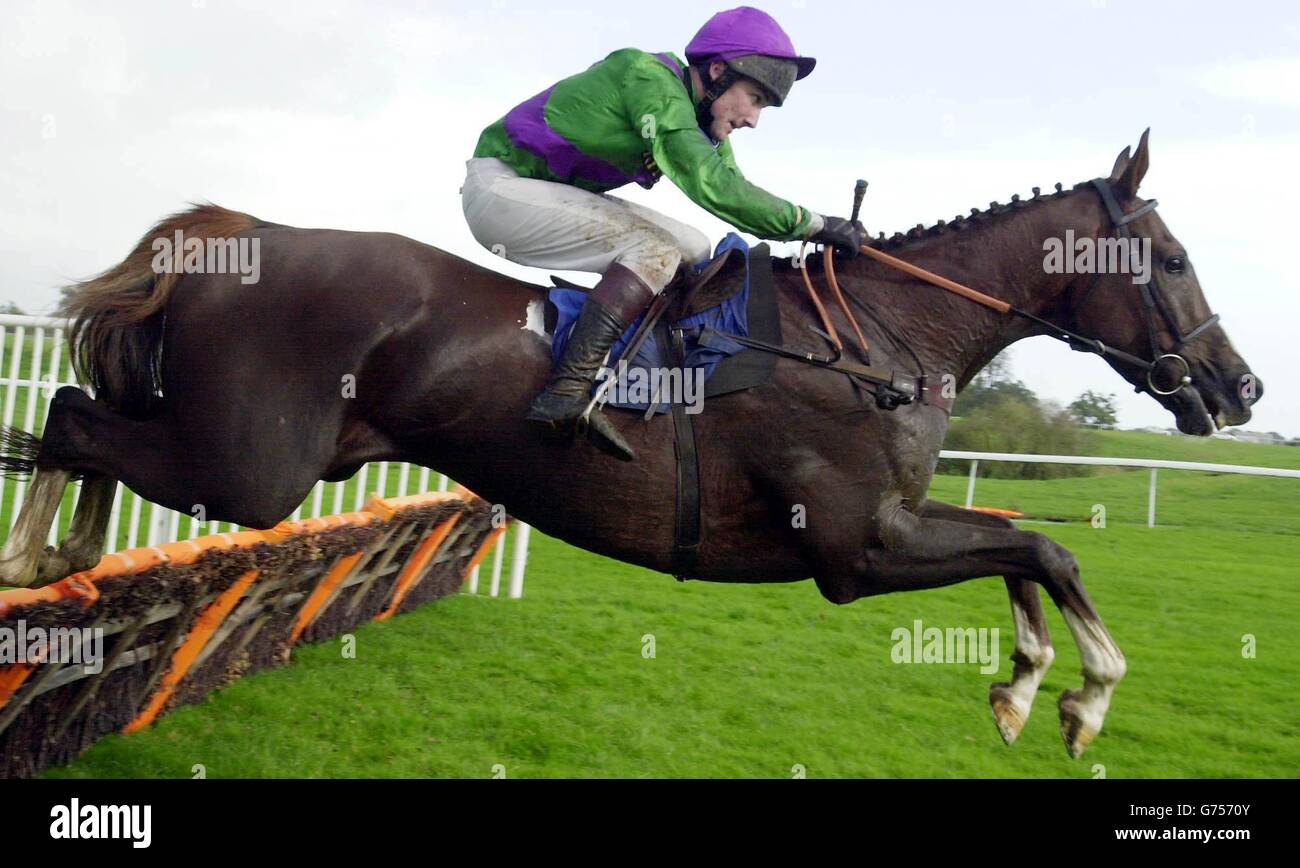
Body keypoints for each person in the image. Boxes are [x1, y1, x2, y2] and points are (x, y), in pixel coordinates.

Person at [461, 5, 868, 460]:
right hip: (501, 189)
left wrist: (816, 225)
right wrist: (815, 224)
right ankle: (567, 388)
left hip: (541, 192)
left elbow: (734, 192)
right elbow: (715, 187)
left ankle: (643, 368)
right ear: (717, 70)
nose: (754, 119)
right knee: (654, 249)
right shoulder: (649, 78)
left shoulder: (699, 118)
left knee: (694, 247)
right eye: (754, 98)